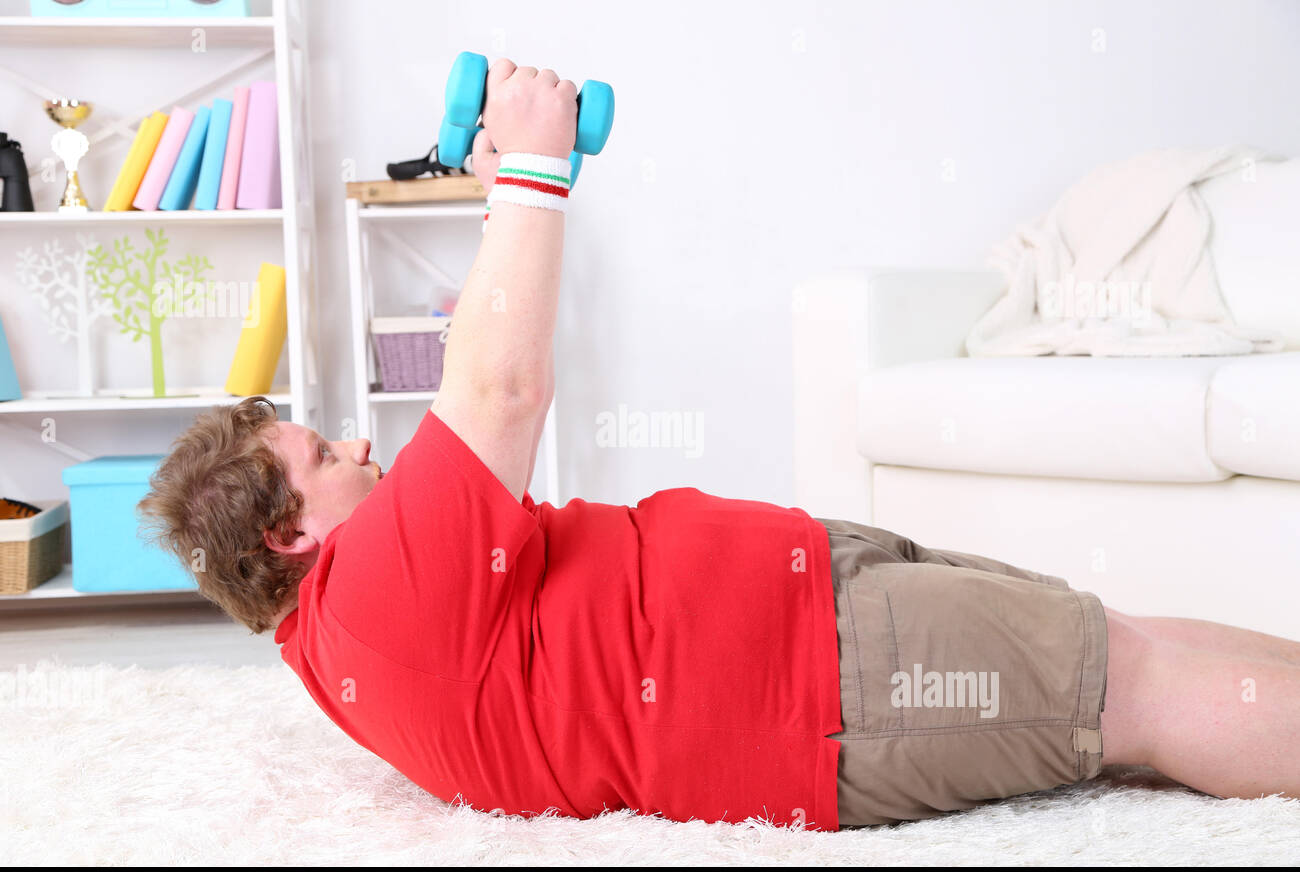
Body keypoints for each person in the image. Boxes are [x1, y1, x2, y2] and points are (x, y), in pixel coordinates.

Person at [139, 59, 1300, 830]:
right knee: (1126, 691)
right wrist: (538, 171)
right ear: (291, 532)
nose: (352, 442)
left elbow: (481, 378)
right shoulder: (378, 589)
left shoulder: (344, 634)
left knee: (1115, 642)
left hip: (815, 606)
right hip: (828, 681)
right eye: (320, 454)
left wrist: (499, 199)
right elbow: (495, 385)